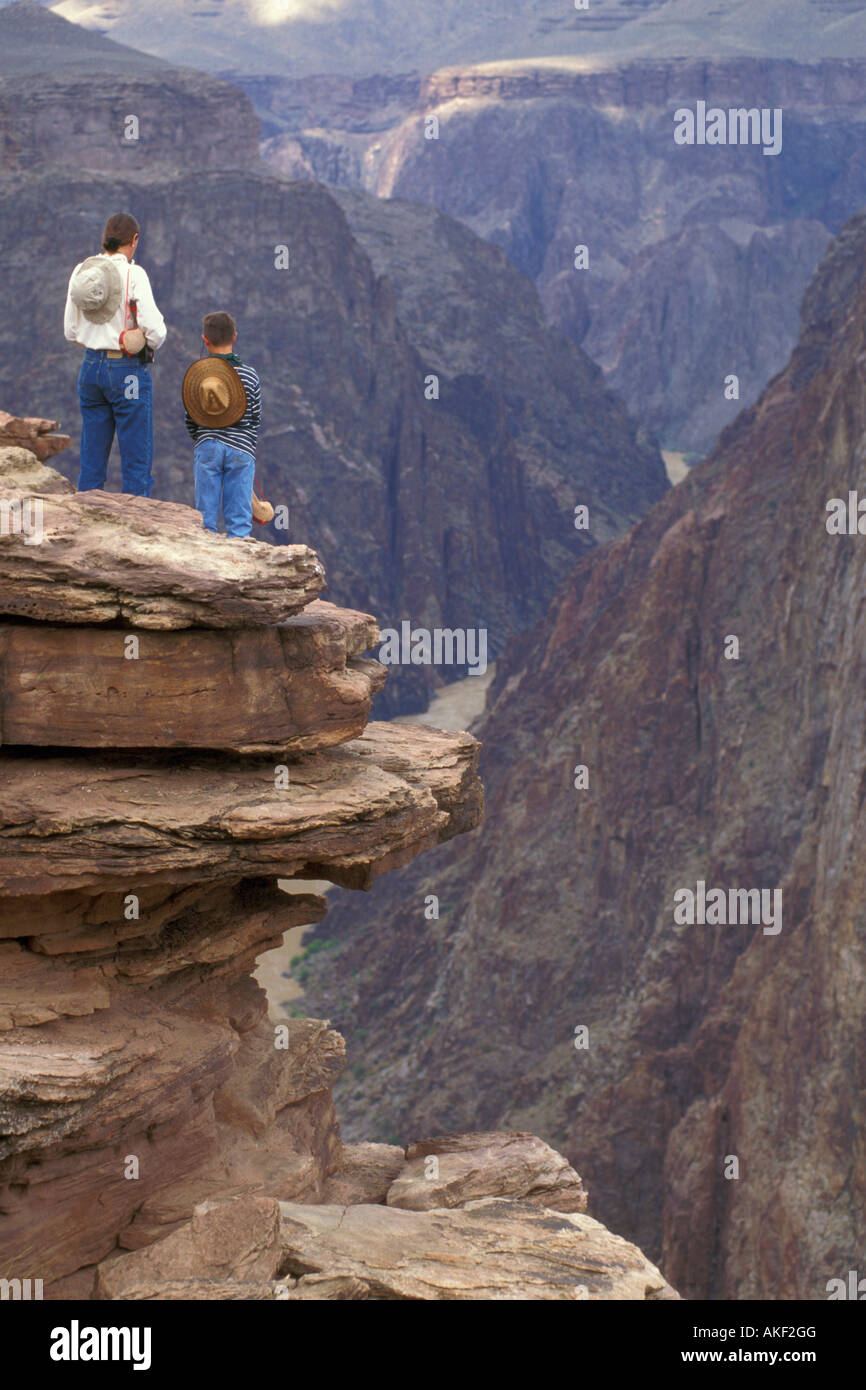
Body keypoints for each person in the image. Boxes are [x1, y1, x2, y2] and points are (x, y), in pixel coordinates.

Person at [64, 213, 166, 496]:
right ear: (134, 241)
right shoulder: (135, 274)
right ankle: (135, 527)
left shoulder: (81, 271)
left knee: (92, 459)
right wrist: (140, 340)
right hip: (127, 373)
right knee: (136, 460)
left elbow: (70, 332)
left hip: (90, 370)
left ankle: (85, 521)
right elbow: (156, 332)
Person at [182, 312, 262, 538]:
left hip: (208, 446)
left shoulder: (198, 378)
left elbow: (190, 418)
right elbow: (256, 417)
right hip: (242, 449)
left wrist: (203, 437)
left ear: (205, 339)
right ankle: (239, 564)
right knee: (239, 519)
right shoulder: (249, 375)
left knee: (205, 519)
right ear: (235, 337)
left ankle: (206, 564)